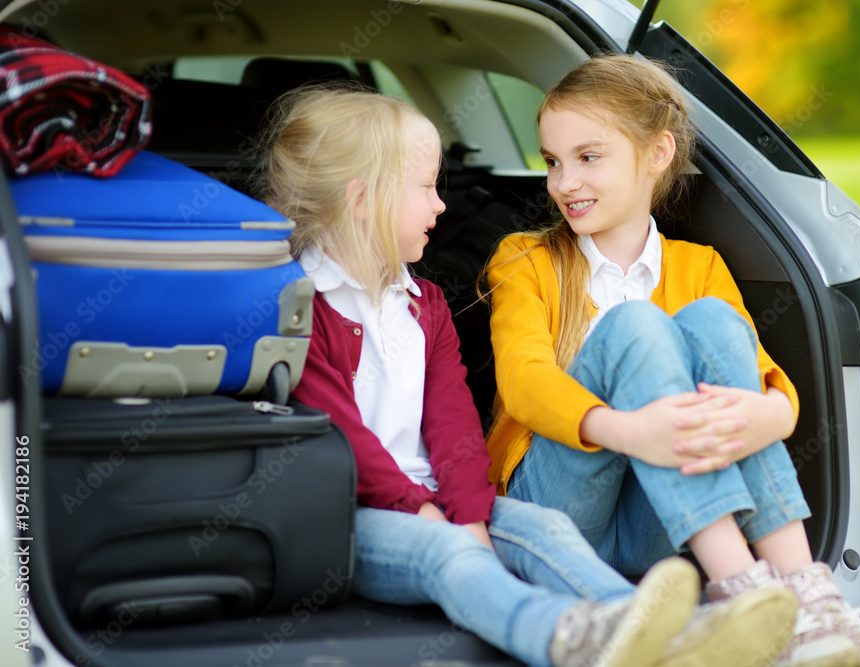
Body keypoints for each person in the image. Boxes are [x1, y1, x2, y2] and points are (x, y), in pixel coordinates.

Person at [254, 85, 799, 667]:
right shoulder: (298, 307)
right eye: (426, 188)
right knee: (454, 558)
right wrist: (437, 517)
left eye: (588, 157)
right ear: (364, 198)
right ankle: (567, 637)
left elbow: (453, 425)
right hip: (358, 516)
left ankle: (678, 627)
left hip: (489, 502)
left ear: (656, 155)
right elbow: (346, 438)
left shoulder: (423, 302)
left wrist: (467, 510)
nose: (443, 205)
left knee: (547, 535)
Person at [483, 55, 860, 667]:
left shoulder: (701, 268)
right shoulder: (524, 258)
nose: (565, 183)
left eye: (589, 157)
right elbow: (524, 382)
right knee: (636, 324)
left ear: (657, 154)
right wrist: (630, 430)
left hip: (659, 529)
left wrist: (773, 414)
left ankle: (809, 601)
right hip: (556, 515)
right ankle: (746, 589)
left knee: (716, 326)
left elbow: (761, 368)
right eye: (553, 162)